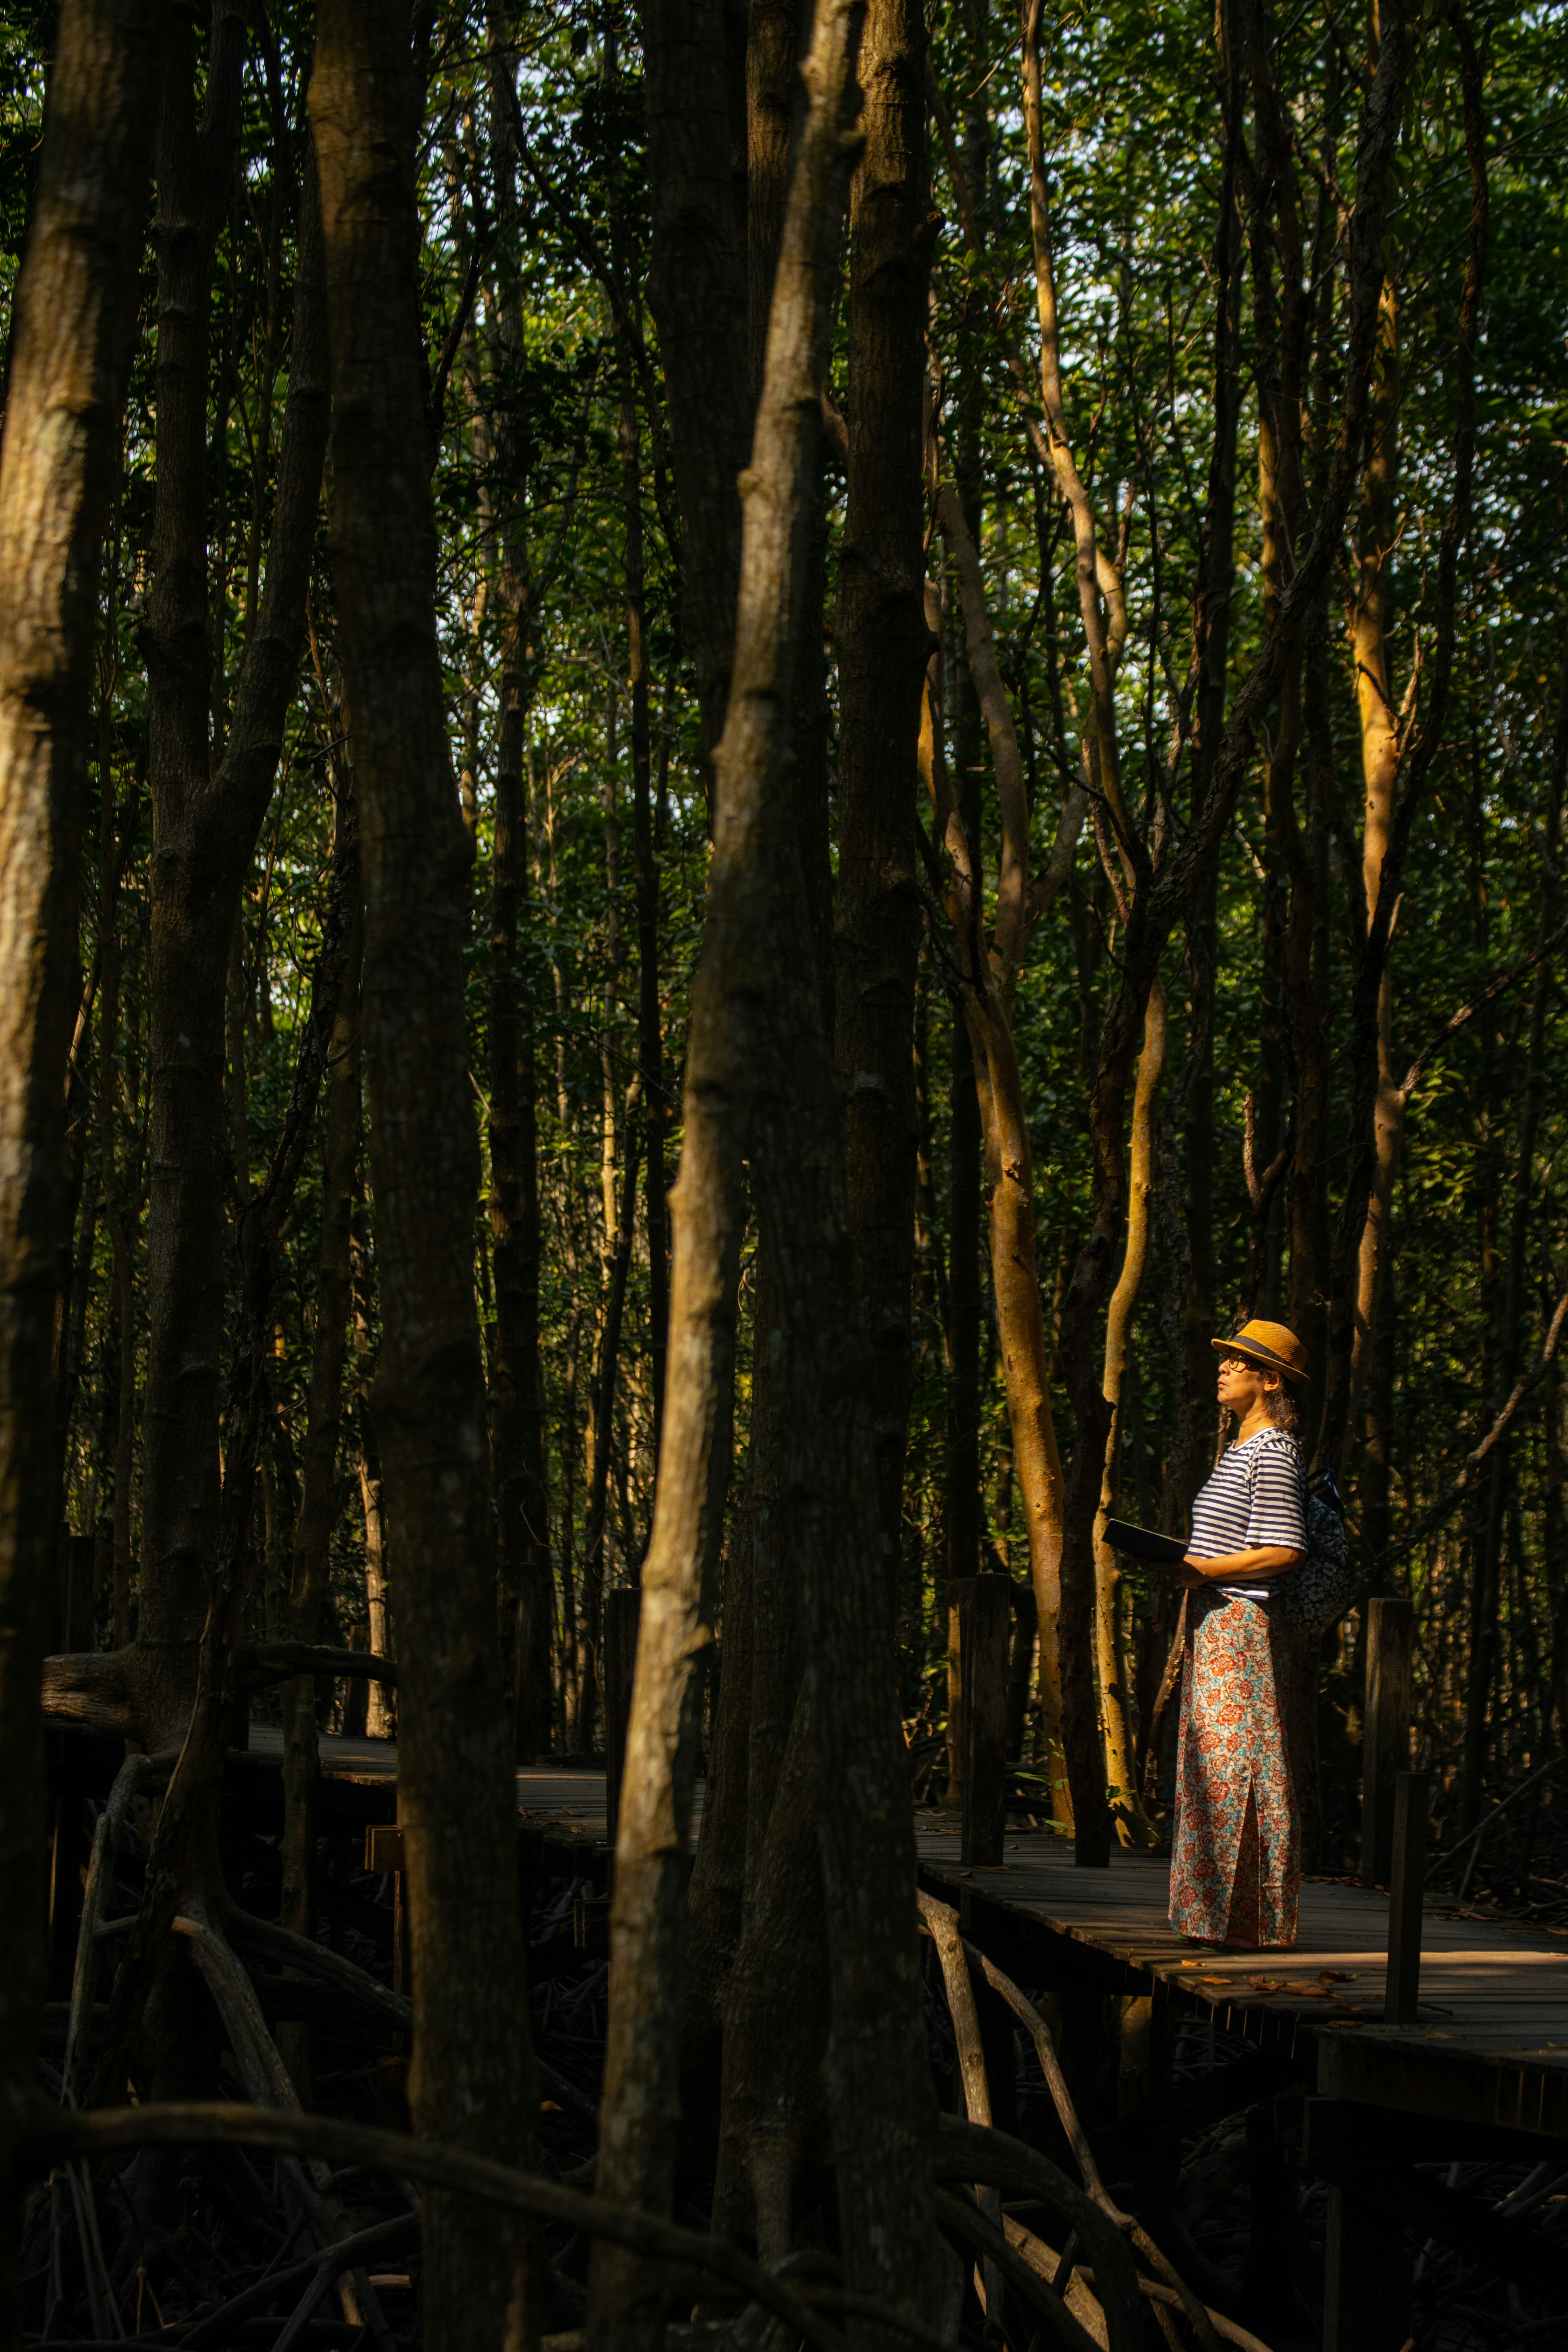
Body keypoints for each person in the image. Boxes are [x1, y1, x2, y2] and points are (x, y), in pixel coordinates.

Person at [1167, 1318, 1308, 1949]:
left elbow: (1284, 1549)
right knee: (1213, 1768)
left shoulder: (1274, 1449)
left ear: (1270, 1380)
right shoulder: (1240, 1451)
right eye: (1222, 1360)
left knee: (1239, 1768)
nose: (1222, 1368)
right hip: (1216, 1620)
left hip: (1241, 1623)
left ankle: (1253, 1923)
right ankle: (1216, 1918)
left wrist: (1203, 1570)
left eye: (1238, 1363)